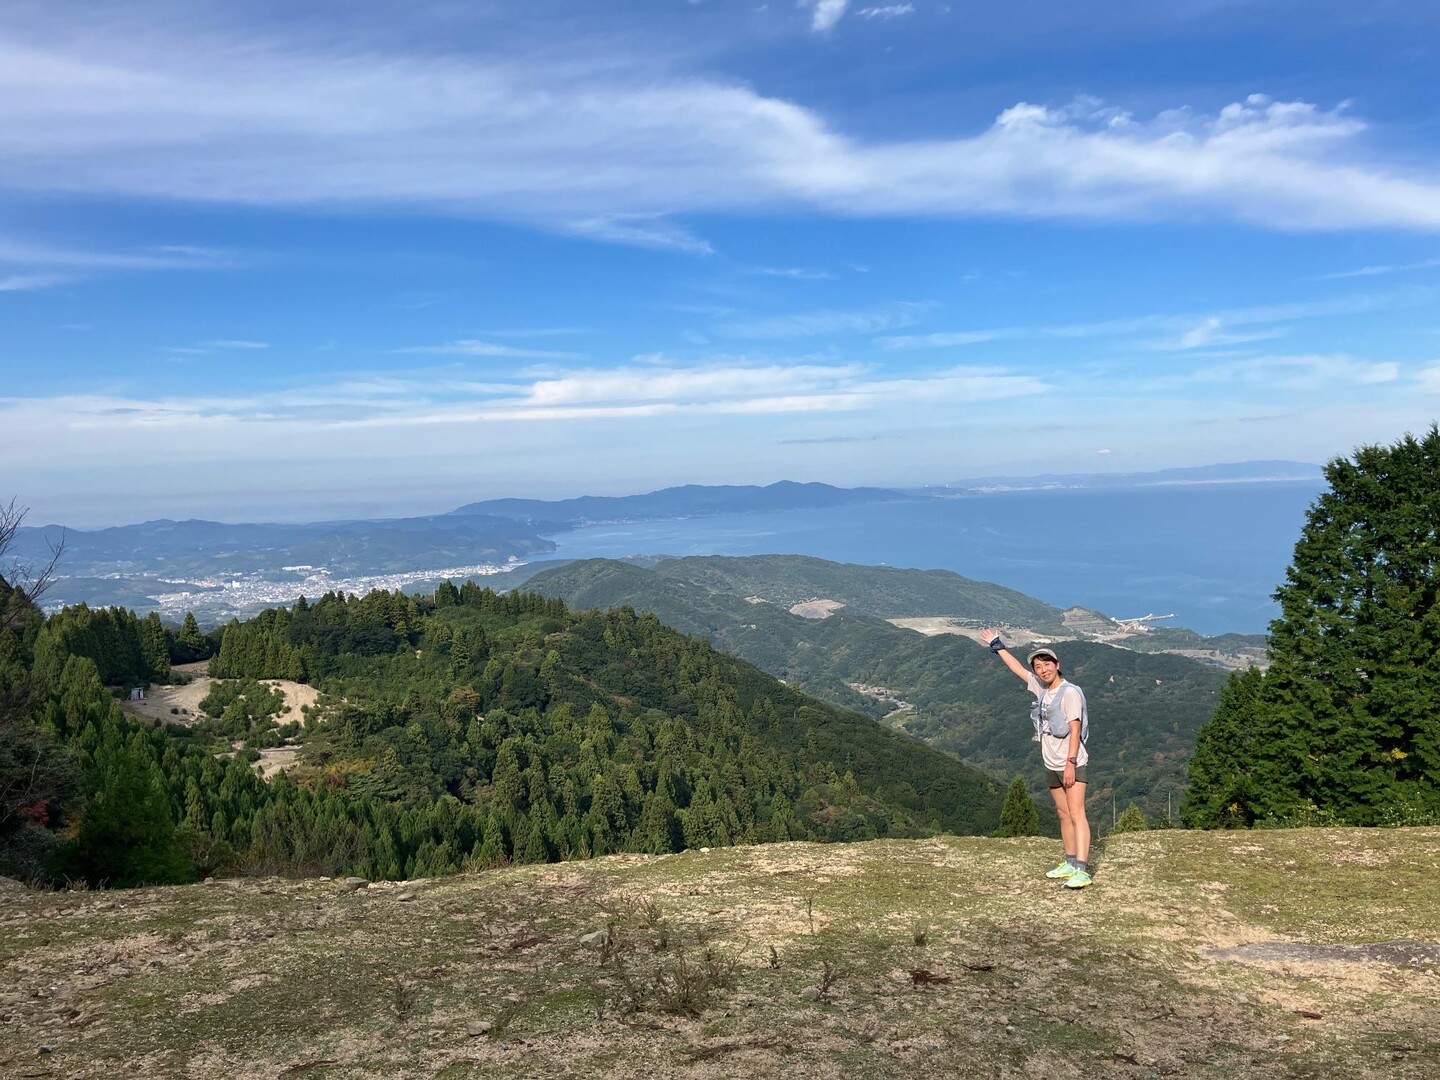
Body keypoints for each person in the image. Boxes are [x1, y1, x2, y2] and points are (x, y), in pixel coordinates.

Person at [979, 630, 1092, 889]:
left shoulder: (1070, 693)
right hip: (1051, 762)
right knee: (1063, 813)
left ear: (1057, 665)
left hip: (1071, 762)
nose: (1043, 670)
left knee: (1077, 813)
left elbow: (1075, 730)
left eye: (1047, 664)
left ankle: (1082, 870)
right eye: (1038, 667)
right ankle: (1070, 861)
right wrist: (998, 646)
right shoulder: (1042, 689)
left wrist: (1071, 763)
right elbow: (1017, 669)